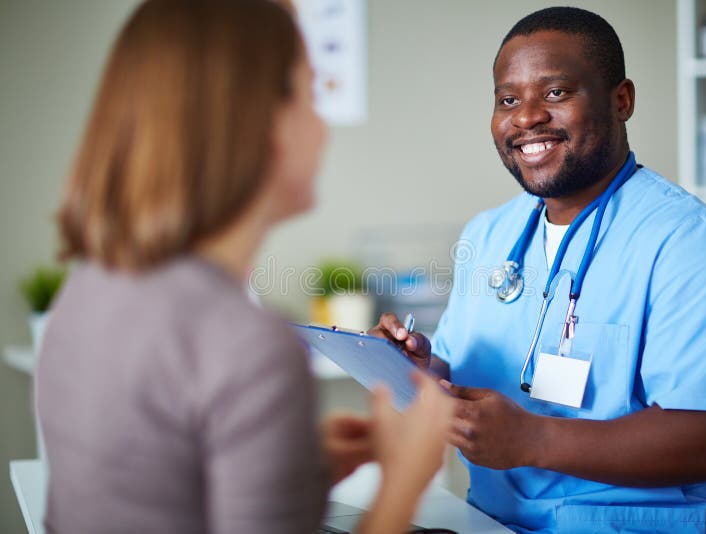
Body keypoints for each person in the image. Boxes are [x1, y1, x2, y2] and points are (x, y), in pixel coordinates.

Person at [35, 1, 453, 533]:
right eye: (311, 94)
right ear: (259, 122)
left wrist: (286, 475)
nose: (323, 127)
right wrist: (404, 480)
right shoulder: (246, 344)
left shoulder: (91, 287)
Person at [370, 7, 706, 534]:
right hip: (491, 521)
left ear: (621, 100)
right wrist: (417, 370)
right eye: (508, 99)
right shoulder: (487, 236)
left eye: (556, 93)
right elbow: (461, 375)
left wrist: (533, 440)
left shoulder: (693, 246)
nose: (526, 117)